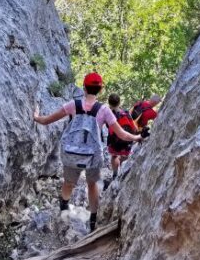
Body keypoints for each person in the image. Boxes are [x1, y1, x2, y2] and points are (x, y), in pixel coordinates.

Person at [34, 72, 143, 232]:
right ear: (100, 90)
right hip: (93, 155)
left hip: (71, 152)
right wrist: (138, 137)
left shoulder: (73, 105)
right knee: (92, 185)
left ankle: (64, 208)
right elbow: (122, 134)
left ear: (84, 87)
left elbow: (46, 120)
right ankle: (93, 220)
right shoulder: (104, 110)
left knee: (68, 182)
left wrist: (36, 116)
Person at [103, 94, 143, 190]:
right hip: (126, 139)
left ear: (109, 103)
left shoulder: (108, 113)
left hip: (114, 139)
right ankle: (122, 172)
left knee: (114, 156)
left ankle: (115, 173)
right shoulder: (125, 112)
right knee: (124, 156)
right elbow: (133, 126)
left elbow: (106, 125)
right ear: (119, 102)